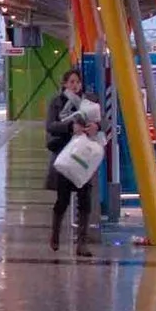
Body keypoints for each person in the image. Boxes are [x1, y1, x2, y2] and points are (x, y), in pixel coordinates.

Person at [44, 67, 102, 256]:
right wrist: (70, 127)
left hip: (83, 157)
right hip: (64, 156)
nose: (75, 85)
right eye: (71, 82)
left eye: (77, 82)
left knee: (85, 199)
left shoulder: (89, 102)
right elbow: (51, 126)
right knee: (63, 199)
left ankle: (82, 243)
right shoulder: (57, 102)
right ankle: (55, 235)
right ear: (65, 84)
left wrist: (96, 126)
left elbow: (105, 121)